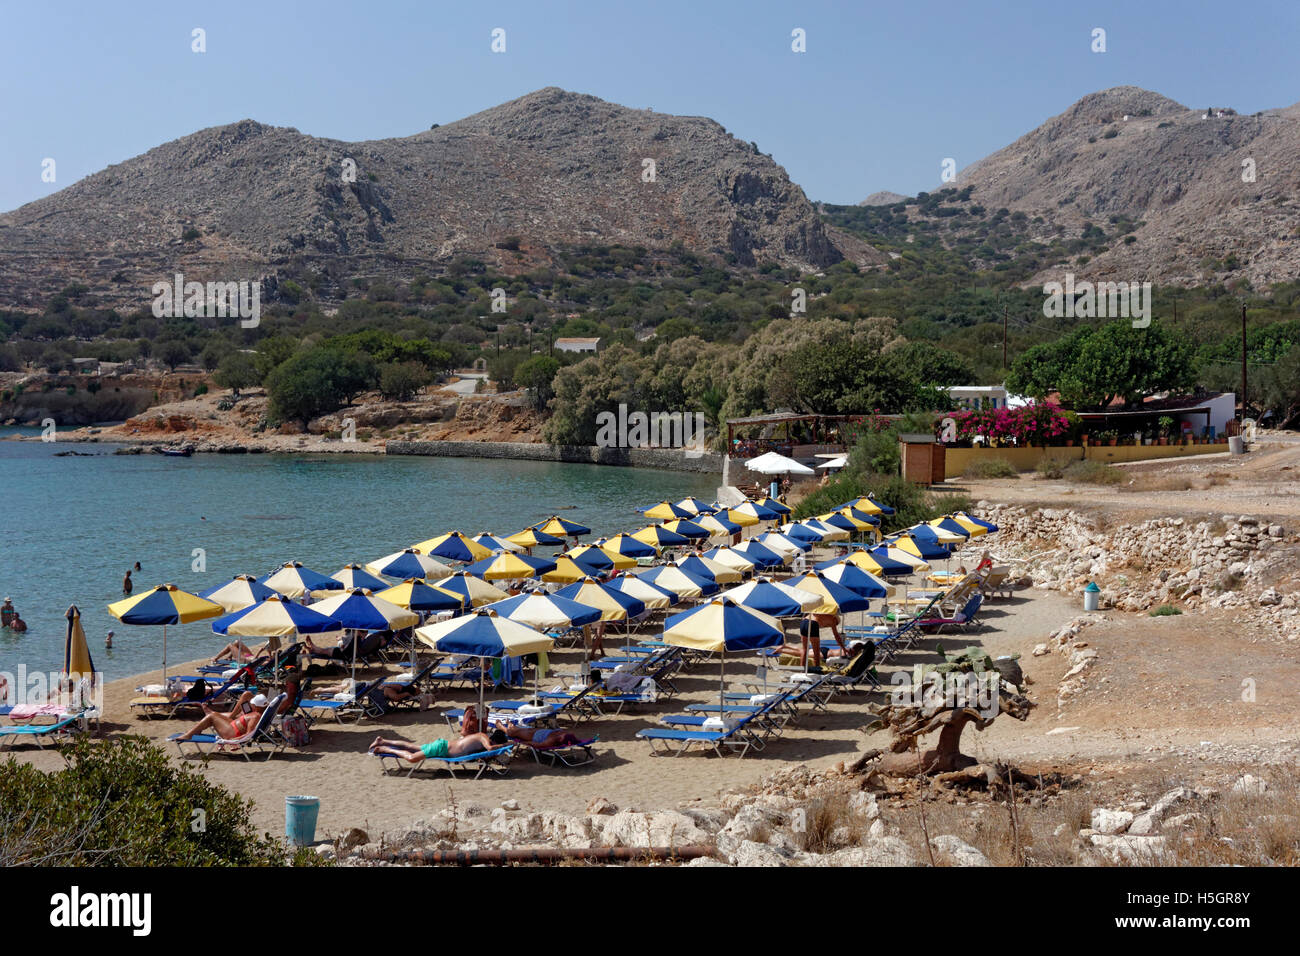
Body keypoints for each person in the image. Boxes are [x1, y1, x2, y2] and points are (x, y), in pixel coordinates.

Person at [174, 692, 269, 742]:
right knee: (214, 715)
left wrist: (233, 741)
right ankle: (199, 728)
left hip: (232, 732)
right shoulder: (259, 713)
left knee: (212, 716)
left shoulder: (255, 717)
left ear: (256, 706)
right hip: (233, 726)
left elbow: (248, 735)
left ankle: (188, 735)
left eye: (252, 704)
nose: (250, 705)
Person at [368, 731, 495, 764]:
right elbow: (489, 748)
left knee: (412, 747)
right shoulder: (484, 738)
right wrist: (505, 745)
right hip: (441, 749)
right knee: (412, 758)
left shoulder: (481, 735)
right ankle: (385, 749)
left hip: (442, 746)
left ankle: (382, 740)